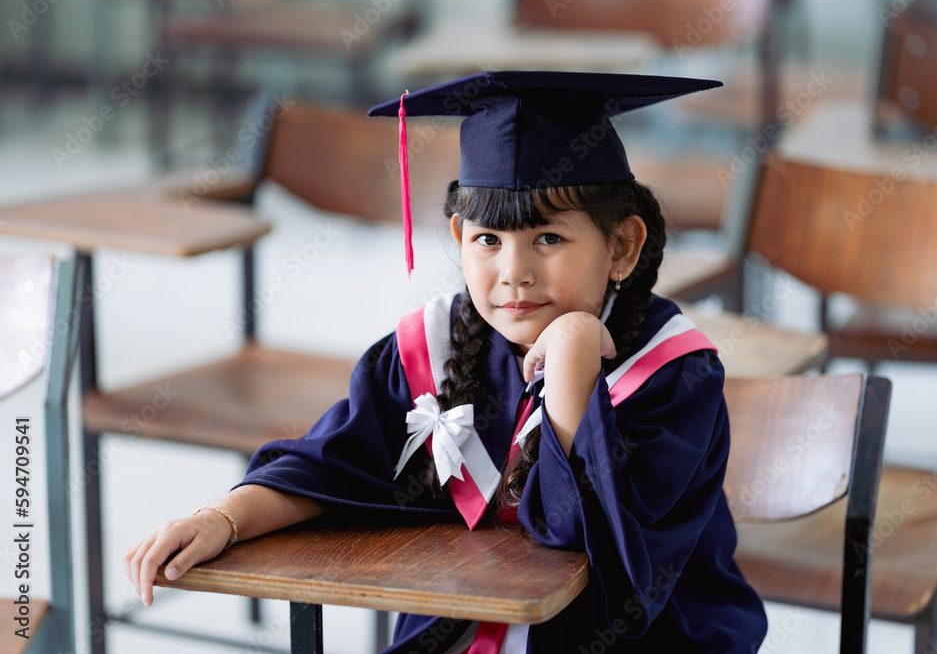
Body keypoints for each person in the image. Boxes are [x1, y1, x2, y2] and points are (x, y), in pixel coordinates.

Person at [125, 71, 768, 653]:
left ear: (622, 246)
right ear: (459, 238)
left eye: (549, 238)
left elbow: (585, 544)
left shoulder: (674, 379)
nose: (514, 273)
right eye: (489, 239)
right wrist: (224, 520)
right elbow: (333, 463)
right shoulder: (431, 347)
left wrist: (573, 358)